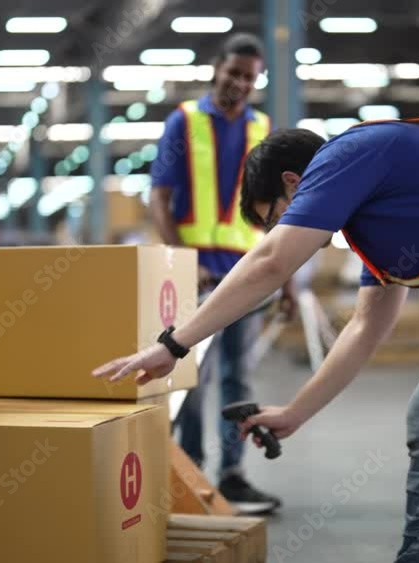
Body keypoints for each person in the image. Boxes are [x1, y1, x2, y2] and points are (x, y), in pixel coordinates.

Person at [96, 115, 419, 562]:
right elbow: (367, 326)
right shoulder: (373, 219)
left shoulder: (345, 156)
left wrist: (172, 345)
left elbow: (270, 262)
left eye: (275, 218)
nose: (285, 231)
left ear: (292, 183)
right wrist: (296, 412)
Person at [148, 32, 286, 514]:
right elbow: (160, 199)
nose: (240, 84)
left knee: (238, 380)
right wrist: (184, 260)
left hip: (247, 273)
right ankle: (188, 472)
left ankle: (231, 476)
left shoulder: (262, 128)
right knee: (193, 378)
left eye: (250, 77)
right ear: (216, 69)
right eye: (234, 73)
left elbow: (276, 212)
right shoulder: (182, 122)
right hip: (196, 275)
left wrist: (283, 275)